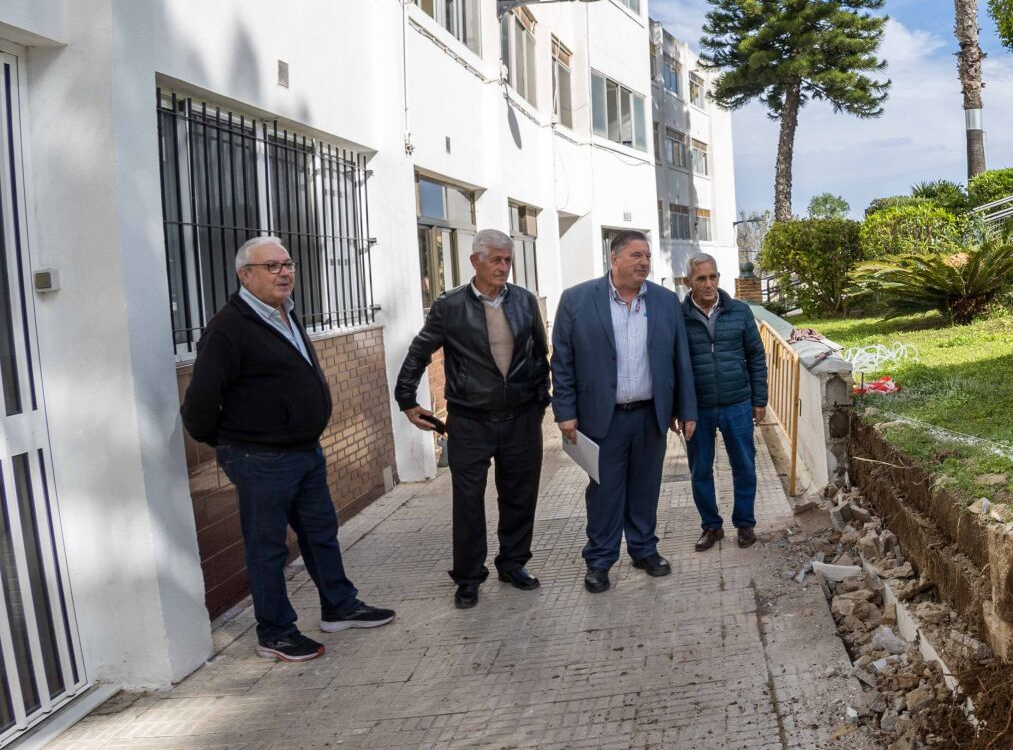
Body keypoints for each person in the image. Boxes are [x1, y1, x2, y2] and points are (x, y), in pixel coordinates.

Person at [181, 236, 397, 662]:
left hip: (303, 450)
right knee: (268, 548)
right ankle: (275, 631)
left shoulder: (284, 313)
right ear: (246, 275)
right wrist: (232, 444)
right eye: (272, 267)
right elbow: (200, 404)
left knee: (321, 534)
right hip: (260, 458)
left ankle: (339, 606)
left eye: (288, 264)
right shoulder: (228, 327)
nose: (284, 273)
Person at [393, 230, 551, 610]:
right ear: (475, 261)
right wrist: (407, 401)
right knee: (468, 501)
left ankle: (513, 564)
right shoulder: (449, 306)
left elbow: (539, 354)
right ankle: (468, 577)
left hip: (520, 419)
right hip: (470, 420)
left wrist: (540, 402)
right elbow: (418, 353)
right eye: (495, 260)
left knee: (519, 496)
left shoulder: (525, 302)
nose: (503, 267)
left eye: (507, 260)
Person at [551, 231, 696, 589]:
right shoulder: (577, 300)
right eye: (636, 255)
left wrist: (686, 409)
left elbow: (681, 360)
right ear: (614, 258)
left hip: (651, 415)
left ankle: (644, 549)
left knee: (646, 487)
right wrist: (564, 411)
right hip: (603, 418)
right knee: (605, 492)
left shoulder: (664, 301)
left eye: (647, 256)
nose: (644, 262)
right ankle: (599, 561)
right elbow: (563, 361)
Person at [679, 254, 769, 550]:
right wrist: (676, 408)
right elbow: (670, 366)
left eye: (713, 277)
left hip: (737, 403)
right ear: (687, 282)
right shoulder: (677, 318)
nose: (708, 284)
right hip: (698, 409)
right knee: (700, 470)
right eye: (701, 278)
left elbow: (756, 357)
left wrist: (759, 399)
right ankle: (711, 526)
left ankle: (745, 524)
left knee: (744, 465)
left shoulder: (740, 312)